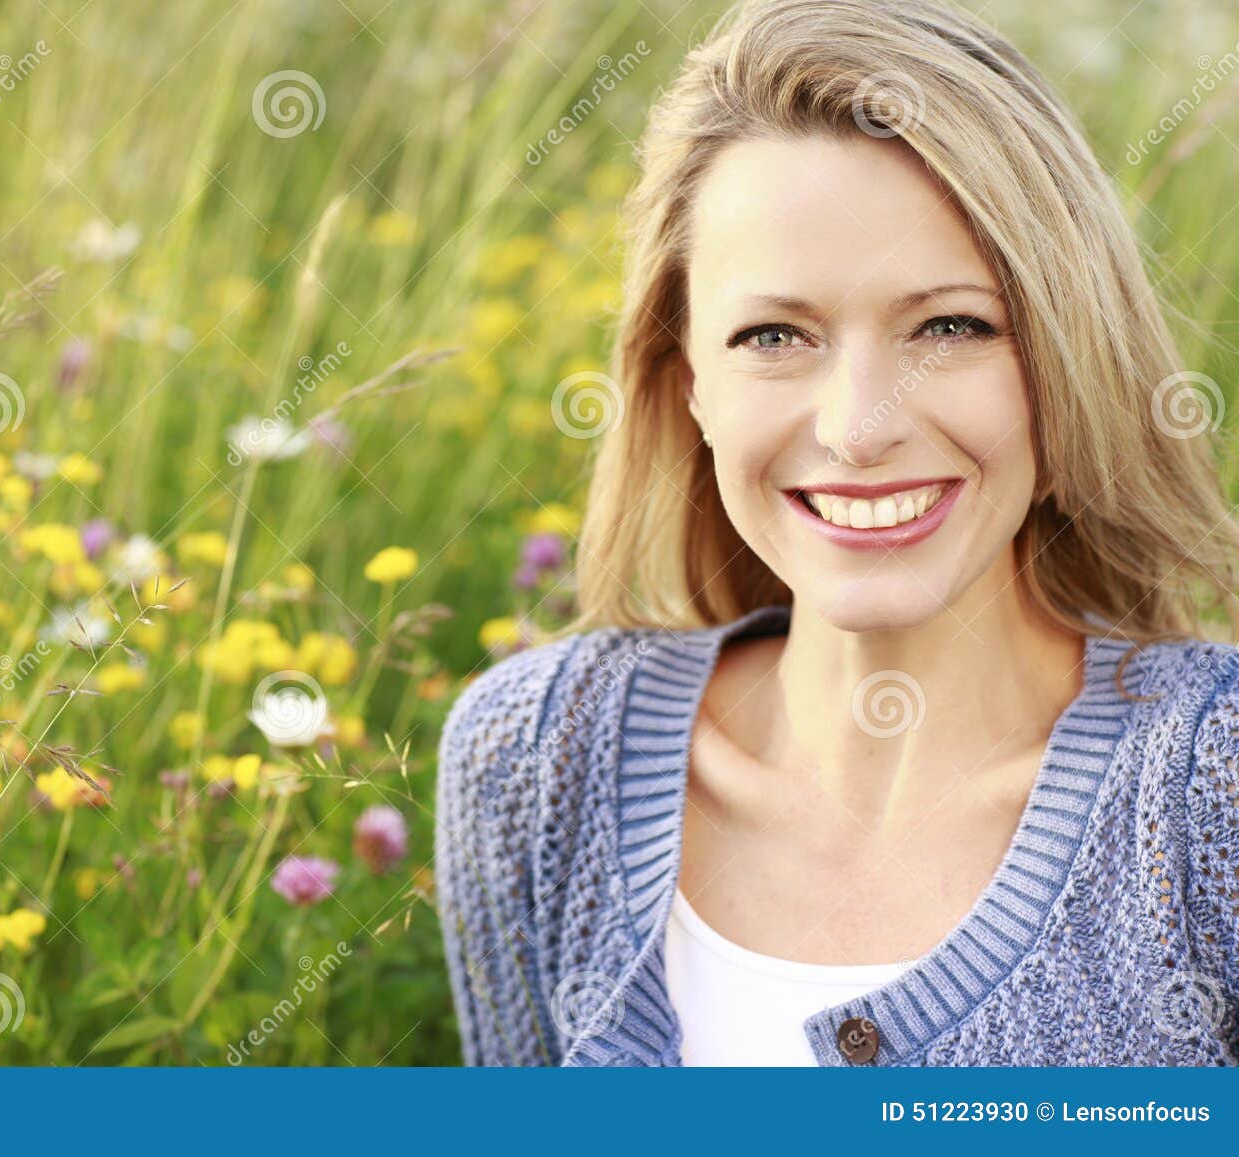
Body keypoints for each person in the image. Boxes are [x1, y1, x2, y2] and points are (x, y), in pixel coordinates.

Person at [435, 0, 1239, 1066]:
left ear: (1063, 359)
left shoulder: (1207, 792)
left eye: (950, 325)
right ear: (689, 390)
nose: (858, 428)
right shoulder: (534, 758)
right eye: (774, 334)